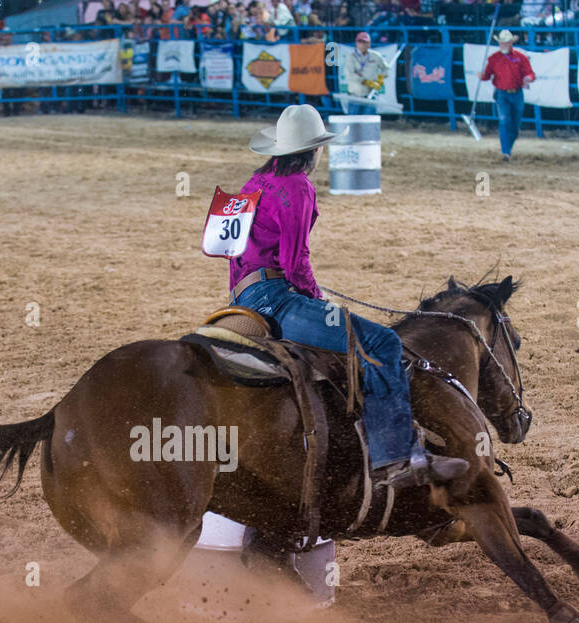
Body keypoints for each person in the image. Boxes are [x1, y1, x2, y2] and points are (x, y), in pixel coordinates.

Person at [228, 105, 470, 490]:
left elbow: (232, 248)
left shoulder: (255, 181)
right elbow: (295, 262)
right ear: (313, 151)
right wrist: (315, 298)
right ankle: (394, 455)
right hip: (277, 298)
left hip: (242, 297)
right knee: (382, 341)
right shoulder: (298, 188)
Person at [480, 29, 535, 162]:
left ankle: (507, 149)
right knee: (505, 120)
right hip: (502, 94)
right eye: (501, 43)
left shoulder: (520, 58)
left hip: (516, 93)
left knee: (515, 125)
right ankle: (506, 152)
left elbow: (531, 73)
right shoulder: (493, 59)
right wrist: (482, 76)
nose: (503, 45)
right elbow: (487, 75)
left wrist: (528, 78)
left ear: (511, 43)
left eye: (506, 43)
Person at [341, 30, 387, 113]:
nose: (362, 44)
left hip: (371, 94)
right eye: (360, 41)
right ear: (356, 43)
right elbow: (350, 74)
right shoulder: (350, 57)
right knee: (353, 123)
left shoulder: (375, 56)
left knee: (370, 122)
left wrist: (381, 78)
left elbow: (385, 68)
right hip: (355, 94)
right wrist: (365, 81)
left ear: (369, 43)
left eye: (365, 42)